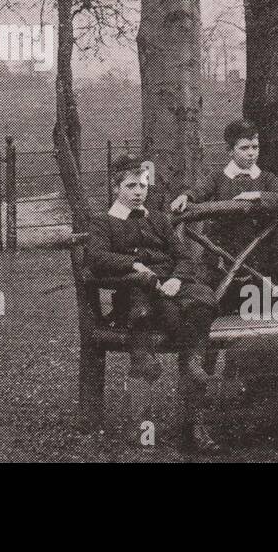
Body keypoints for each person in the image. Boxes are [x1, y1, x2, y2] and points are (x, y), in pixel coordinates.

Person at [86, 157, 220, 389]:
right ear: (116, 188)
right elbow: (96, 257)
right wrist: (133, 265)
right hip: (136, 288)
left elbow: (183, 257)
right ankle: (142, 357)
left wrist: (177, 280)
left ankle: (190, 361)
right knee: (159, 309)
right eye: (131, 186)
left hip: (170, 285)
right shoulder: (103, 222)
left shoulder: (158, 219)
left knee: (204, 298)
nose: (138, 192)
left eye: (143, 186)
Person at [170, 118, 278, 289]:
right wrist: (186, 196)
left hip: (259, 258)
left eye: (255, 147)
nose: (251, 153)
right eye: (244, 148)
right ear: (230, 151)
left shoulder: (266, 178)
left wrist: (258, 195)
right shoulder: (217, 178)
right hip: (223, 255)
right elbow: (199, 191)